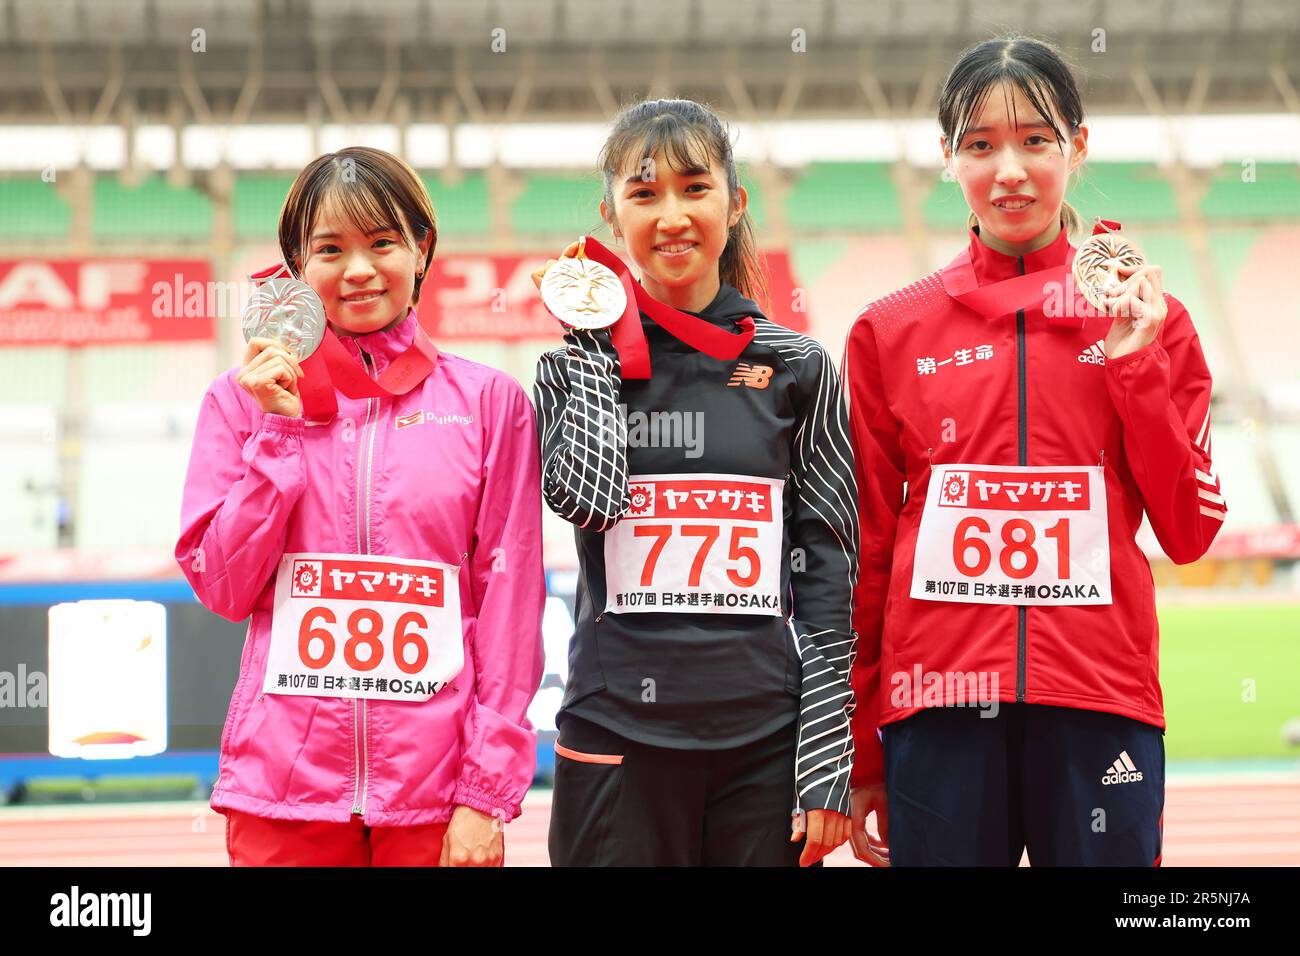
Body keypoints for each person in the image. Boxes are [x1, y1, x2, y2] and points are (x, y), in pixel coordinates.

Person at [844, 35, 1227, 867]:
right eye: (979, 145)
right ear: (947, 159)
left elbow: (1190, 531)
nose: (1008, 169)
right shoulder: (890, 331)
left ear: (1078, 147)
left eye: (1036, 141)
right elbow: (867, 549)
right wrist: (862, 745)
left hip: (1098, 699)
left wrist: (1135, 364)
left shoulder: (1157, 324)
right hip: (936, 706)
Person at [176, 146, 545, 866]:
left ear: (421, 249)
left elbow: (510, 604)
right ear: (295, 268)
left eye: (382, 243)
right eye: (329, 249)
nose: (359, 270)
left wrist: (484, 790)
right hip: (283, 793)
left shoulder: (491, 405)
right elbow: (222, 586)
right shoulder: (239, 402)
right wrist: (278, 430)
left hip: (437, 801)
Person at [533, 98, 858, 866]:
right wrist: (593, 351)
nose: (671, 214)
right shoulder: (572, 367)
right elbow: (588, 498)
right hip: (615, 735)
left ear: (735, 202)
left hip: (764, 747)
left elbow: (832, 570)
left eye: (694, 187)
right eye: (643, 195)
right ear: (611, 216)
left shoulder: (798, 367)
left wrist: (825, 760)